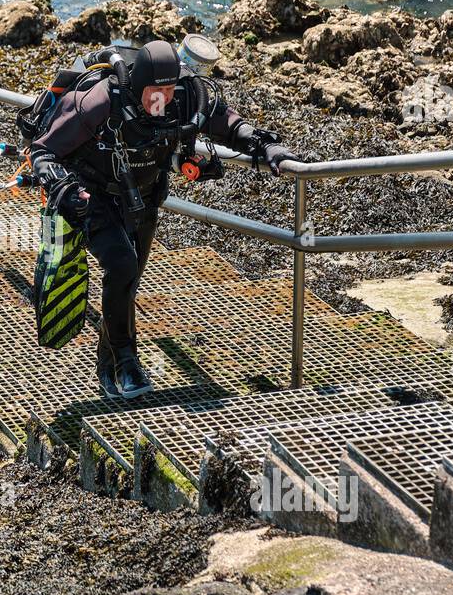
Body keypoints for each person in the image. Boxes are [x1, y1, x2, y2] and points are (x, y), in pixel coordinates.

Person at [30, 38, 301, 399]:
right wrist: (61, 185)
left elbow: (230, 125)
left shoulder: (189, 94)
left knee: (128, 281)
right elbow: (44, 150)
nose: (163, 101)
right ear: (136, 85)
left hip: (143, 197)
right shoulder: (99, 102)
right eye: (155, 92)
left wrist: (266, 146)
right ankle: (128, 363)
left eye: (169, 90)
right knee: (123, 266)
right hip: (91, 195)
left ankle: (107, 362)